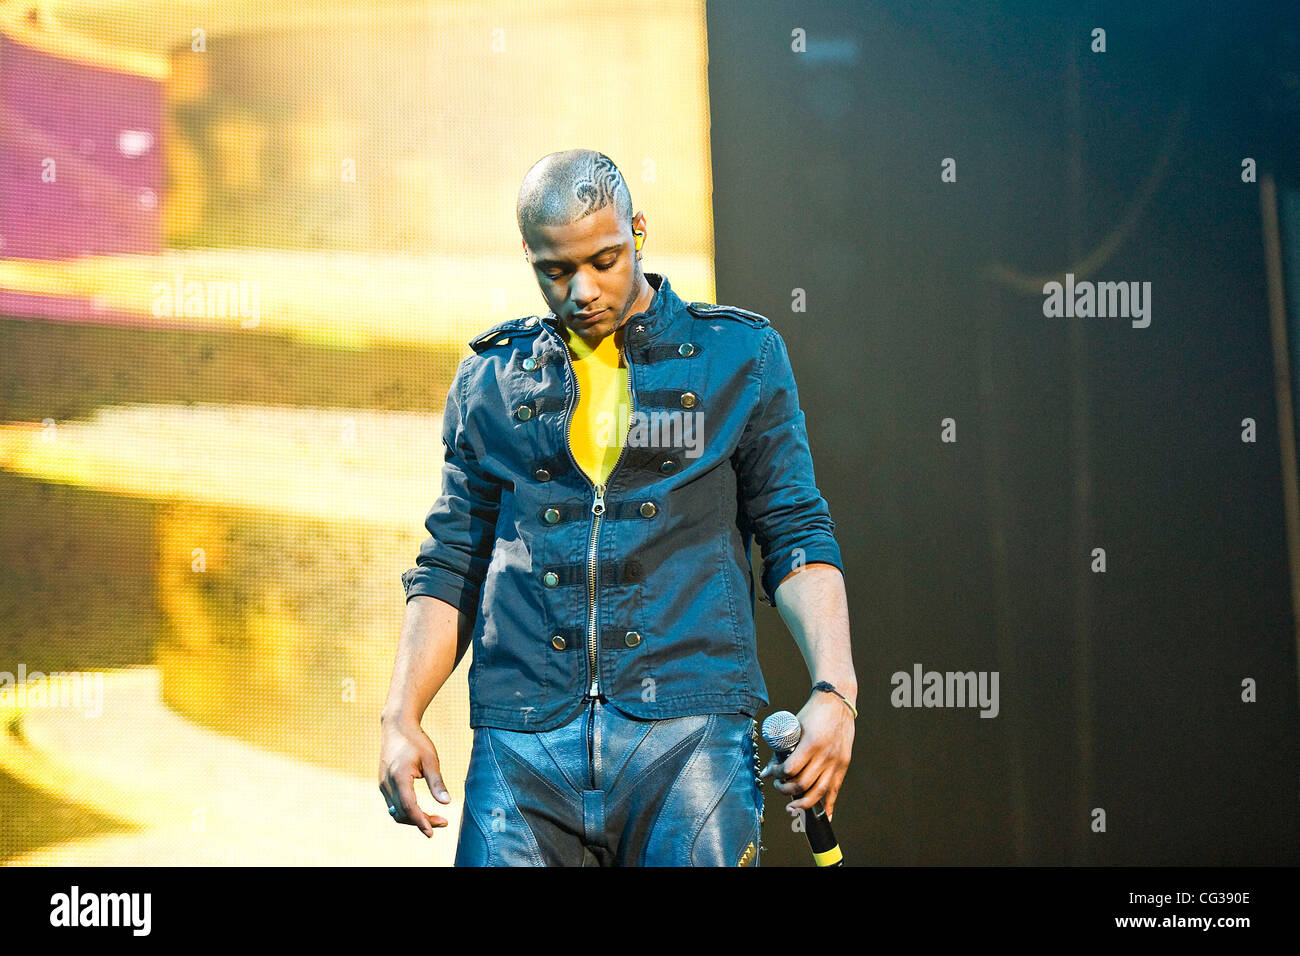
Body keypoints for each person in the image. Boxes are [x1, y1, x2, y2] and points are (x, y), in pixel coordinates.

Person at [379, 148, 856, 866]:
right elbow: (451, 560)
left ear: (637, 229)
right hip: (523, 737)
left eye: (603, 260)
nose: (582, 291)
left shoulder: (736, 355)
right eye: (557, 270)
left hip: (687, 728)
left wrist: (835, 689)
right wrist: (400, 714)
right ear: (529, 257)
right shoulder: (490, 378)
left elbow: (795, 533)